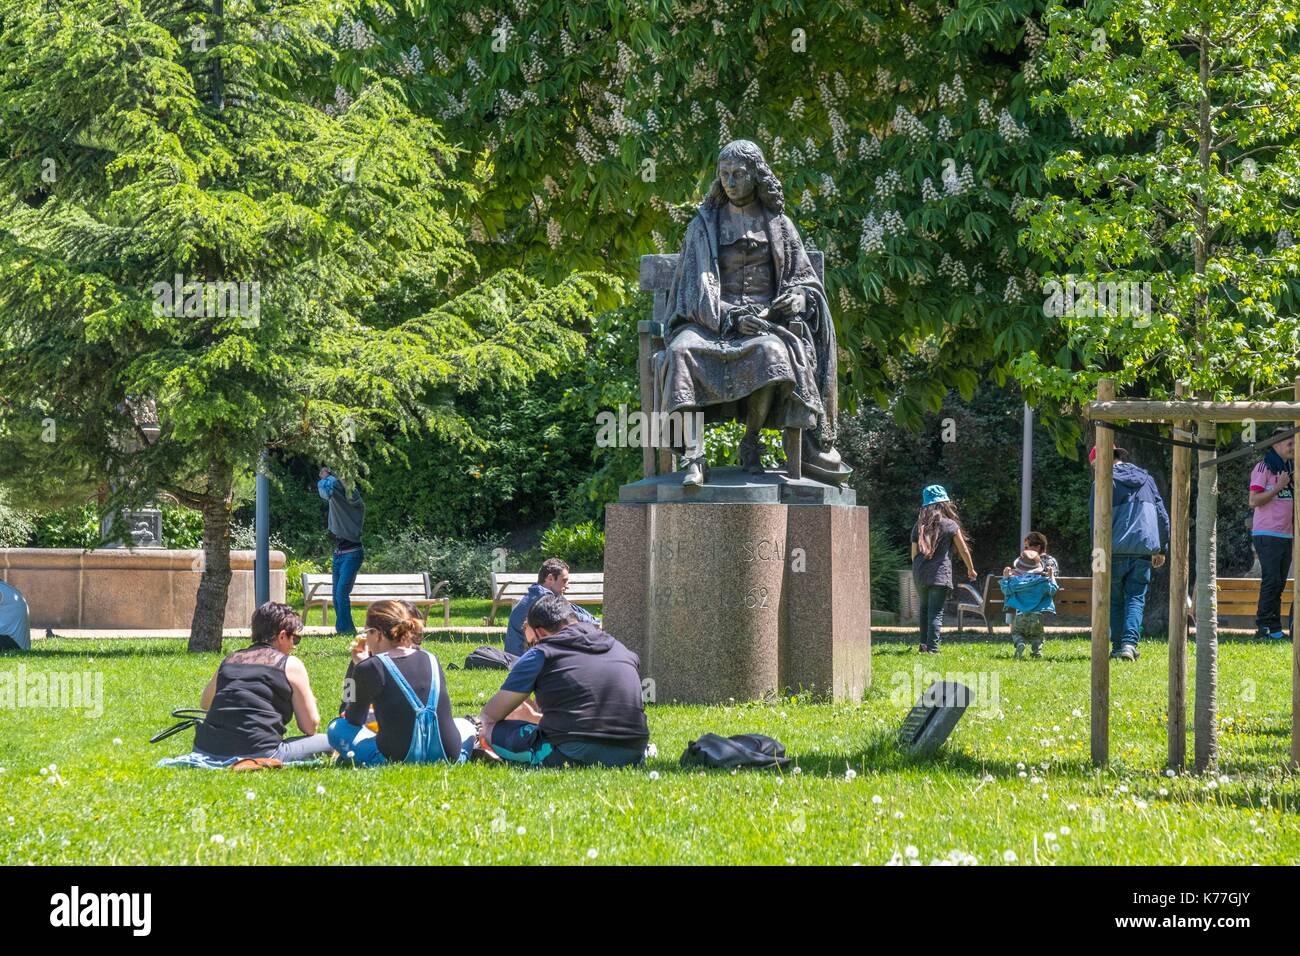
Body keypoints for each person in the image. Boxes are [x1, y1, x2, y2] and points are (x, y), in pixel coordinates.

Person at [657, 139, 849, 486]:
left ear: (756, 175)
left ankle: (751, 440)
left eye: (738, 174)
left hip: (764, 322)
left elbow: (803, 279)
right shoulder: (704, 225)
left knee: (773, 354)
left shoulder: (778, 224)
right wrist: (729, 316)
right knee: (680, 352)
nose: (730, 181)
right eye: (724, 174)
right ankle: (694, 457)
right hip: (710, 321)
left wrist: (800, 300)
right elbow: (694, 288)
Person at [479, 594, 649, 768]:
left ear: (539, 633)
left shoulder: (542, 653)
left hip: (571, 751)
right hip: (633, 752)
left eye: (531, 643)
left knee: (487, 730)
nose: (531, 647)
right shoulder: (622, 650)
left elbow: (489, 716)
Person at [328, 600, 474, 766]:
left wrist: (356, 668)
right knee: (466, 724)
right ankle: (462, 756)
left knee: (336, 727)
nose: (367, 639)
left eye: (367, 632)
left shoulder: (370, 667)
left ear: (378, 634)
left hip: (394, 757)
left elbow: (353, 718)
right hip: (447, 756)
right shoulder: (431, 658)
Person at [185, 602, 333, 767]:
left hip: (205, 749)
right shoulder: (289, 664)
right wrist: (309, 701)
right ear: (282, 636)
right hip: (260, 751)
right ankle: (249, 762)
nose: (294, 646)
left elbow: (205, 704)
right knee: (332, 740)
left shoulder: (230, 659)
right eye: (295, 638)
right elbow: (310, 726)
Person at [1090, 445, 1170, 661]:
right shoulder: (1146, 479)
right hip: (1143, 548)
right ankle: (1128, 645)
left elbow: (1095, 521)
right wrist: (1162, 547)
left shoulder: (1102, 483)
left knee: (1114, 600)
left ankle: (1118, 647)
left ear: (1100, 461)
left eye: (1095, 465)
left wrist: (1096, 555)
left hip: (1113, 550)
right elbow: (1162, 514)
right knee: (1136, 597)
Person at [910, 485, 976, 654]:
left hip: (920, 573)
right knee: (936, 613)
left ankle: (923, 646)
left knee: (924, 609)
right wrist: (971, 569)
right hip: (939, 574)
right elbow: (963, 550)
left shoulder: (919, 526)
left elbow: (914, 554)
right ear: (944, 504)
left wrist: (919, 570)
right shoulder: (950, 525)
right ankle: (933, 648)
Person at [1248, 430, 1294, 640]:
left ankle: (1275, 628)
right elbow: (1254, 500)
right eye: (1289, 442)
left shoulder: (1291, 468)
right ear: (1276, 444)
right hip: (1267, 533)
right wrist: (1278, 487)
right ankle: (1263, 627)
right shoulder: (1263, 467)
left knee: (1280, 582)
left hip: (1286, 535)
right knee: (1271, 580)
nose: (1294, 446)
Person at [504, 557, 600, 657]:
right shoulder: (543, 600)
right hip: (521, 658)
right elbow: (576, 618)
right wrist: (595, 623)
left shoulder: (538, 594)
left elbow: (572, 609)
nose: (567, 586)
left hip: (522, 655)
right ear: (550, 578)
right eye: (564, 580)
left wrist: (594, 622)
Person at [317, 466, 365, 635]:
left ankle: (346, 631)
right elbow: (327, 491)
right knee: (337, 597)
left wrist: (329, 478)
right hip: (338, 554)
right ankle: (344, 629)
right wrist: (326, 477)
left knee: (341, 594)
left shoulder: (354, 504)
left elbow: (350, 496)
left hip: (352, 554)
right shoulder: (336, 497)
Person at [999, 549, 1059, 659]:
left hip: (1020, 616)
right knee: (1038, 635)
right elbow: (1053, 590)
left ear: (1019, 567)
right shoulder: (1042, 582)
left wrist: (1006, 577)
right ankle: (1036, 651)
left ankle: (1020, 643)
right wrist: (1051, 577)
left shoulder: (1015, 582)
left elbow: (1006, 590)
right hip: (1037, 616)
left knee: (1017, 633)